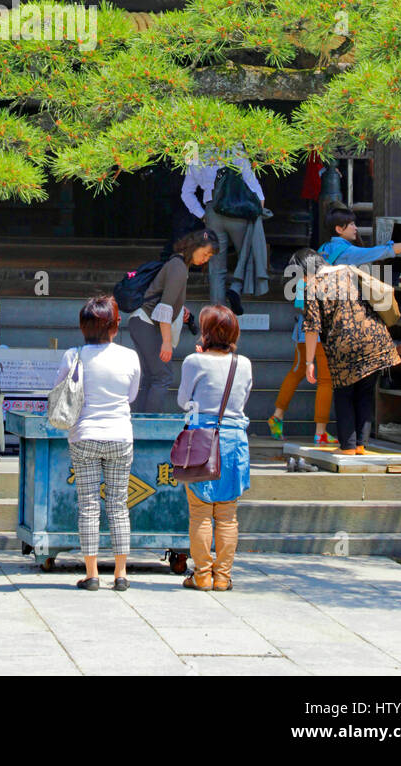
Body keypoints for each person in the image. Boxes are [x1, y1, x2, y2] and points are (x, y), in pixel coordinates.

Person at [54, 294, 140, 591]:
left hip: (84, 436)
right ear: (116, 326)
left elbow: (61, 389)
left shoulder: (72, 355)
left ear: (83, 327)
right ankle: (121, 573)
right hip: (120, 436)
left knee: (88, 505)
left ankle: (91, 574)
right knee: (118, 505)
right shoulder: (130, 357)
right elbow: (132, 396)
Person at [291, 247, 401, 456]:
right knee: (365, 393)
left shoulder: (314, 287)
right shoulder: (350, 272)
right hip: (376, 341)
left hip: (345, 347)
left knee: (344, 394)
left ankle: (349, 447)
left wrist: (309, 362)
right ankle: (361, 445)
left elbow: (312, 328)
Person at [177, 305, 252, 591]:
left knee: (200, 512)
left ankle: (202, 575)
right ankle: (223, 577)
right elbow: (242, 399)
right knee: (227, 514)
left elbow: (183, 401)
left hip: (201, 439)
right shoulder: (243, 364)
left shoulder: (193, 361)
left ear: (206, 333)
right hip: (234, 439)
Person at [129, 229, 219, 413]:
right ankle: (148, 429)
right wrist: (167, 342)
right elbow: (165, 307)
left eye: (209, 256)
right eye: (206, 253)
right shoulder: (178, 267)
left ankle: (141, 426)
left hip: (141, 322)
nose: (206, 259)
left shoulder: (178, 263)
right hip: (147, 324)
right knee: (162, 377)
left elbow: (167, 303)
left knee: (152, 378)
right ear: (196, 246)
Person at [181, 151, 265, 314]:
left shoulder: (196, 152)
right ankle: (236, 287)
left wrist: (203, 214)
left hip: (212, 211)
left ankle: (217, 314)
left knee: (215, 266)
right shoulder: (235, 148)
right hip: (238, 209)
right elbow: (251, 182)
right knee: (247, 253)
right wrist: (260, 209)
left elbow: (186, 193)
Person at [268, 270, 334, 445]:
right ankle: (320, 433)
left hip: (301, 330)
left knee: (296, 372)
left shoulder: (303, 278)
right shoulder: (329, 275)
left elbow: (300, 305)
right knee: (326, 381)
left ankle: (277, 416)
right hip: (322, 333)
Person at [320, 203, 401, 270]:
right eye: (351, 224)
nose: (356, 228)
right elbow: (384, 251)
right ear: (339, 229)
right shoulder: (348, 252)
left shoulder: (323, 248)